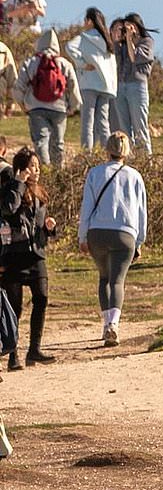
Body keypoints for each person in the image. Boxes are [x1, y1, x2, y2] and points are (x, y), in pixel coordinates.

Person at [79, 133, 146, 347]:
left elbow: (86, 207)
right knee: (118, 280)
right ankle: (114, 325)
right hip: (124, 233)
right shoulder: (135, 176)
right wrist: (139, 241)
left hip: (97, 232)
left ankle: (106, 323)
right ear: (126, 151)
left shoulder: (95, 173)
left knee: (104, 278)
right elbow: (141, 211)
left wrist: (82, 235)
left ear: (107, 149)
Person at [0, 148, 57, 371]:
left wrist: (50, 228)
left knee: (41, 297)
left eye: (38, 166)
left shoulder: (40, 192)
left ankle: (34, 349)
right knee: (14, 308)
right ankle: (13, 354)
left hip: (36, 255)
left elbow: (39, 223)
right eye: (33, 166)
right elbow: (8, 209)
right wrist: (18, 182)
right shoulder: (10, 189)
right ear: (23, 168)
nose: (37, 170)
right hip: (14, 255)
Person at [16, 31, 80, 170]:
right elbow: (73, 86)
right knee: (58, 143)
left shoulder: (31, 62)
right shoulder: (64, 63)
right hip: (59, 108)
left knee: (41, 141)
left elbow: (18, 87)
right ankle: (58, 173)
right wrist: (73, 106)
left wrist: (23, 105)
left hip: (36, 108)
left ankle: (44, 171)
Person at [65, 8, 119, 152]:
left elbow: (69, 47)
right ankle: (108, 152)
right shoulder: (107, 41)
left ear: (89, 21)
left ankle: (86, 153)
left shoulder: (84, 37)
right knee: (103, 122)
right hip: (106, 86)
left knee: (87, 121)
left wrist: (82, 63)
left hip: (89, 84)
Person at [110, 14, 156, 155]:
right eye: (125, 28)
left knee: (139, 126)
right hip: (121, 86)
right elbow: (114, 62)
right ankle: (128, 158)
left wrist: (130, 39)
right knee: (124, 127)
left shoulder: (146, 42)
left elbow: (135, 57)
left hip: (137, 86)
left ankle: (146, 160)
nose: (128, 30)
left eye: (131, 26)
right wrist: (116, 40)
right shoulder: (122, 45)